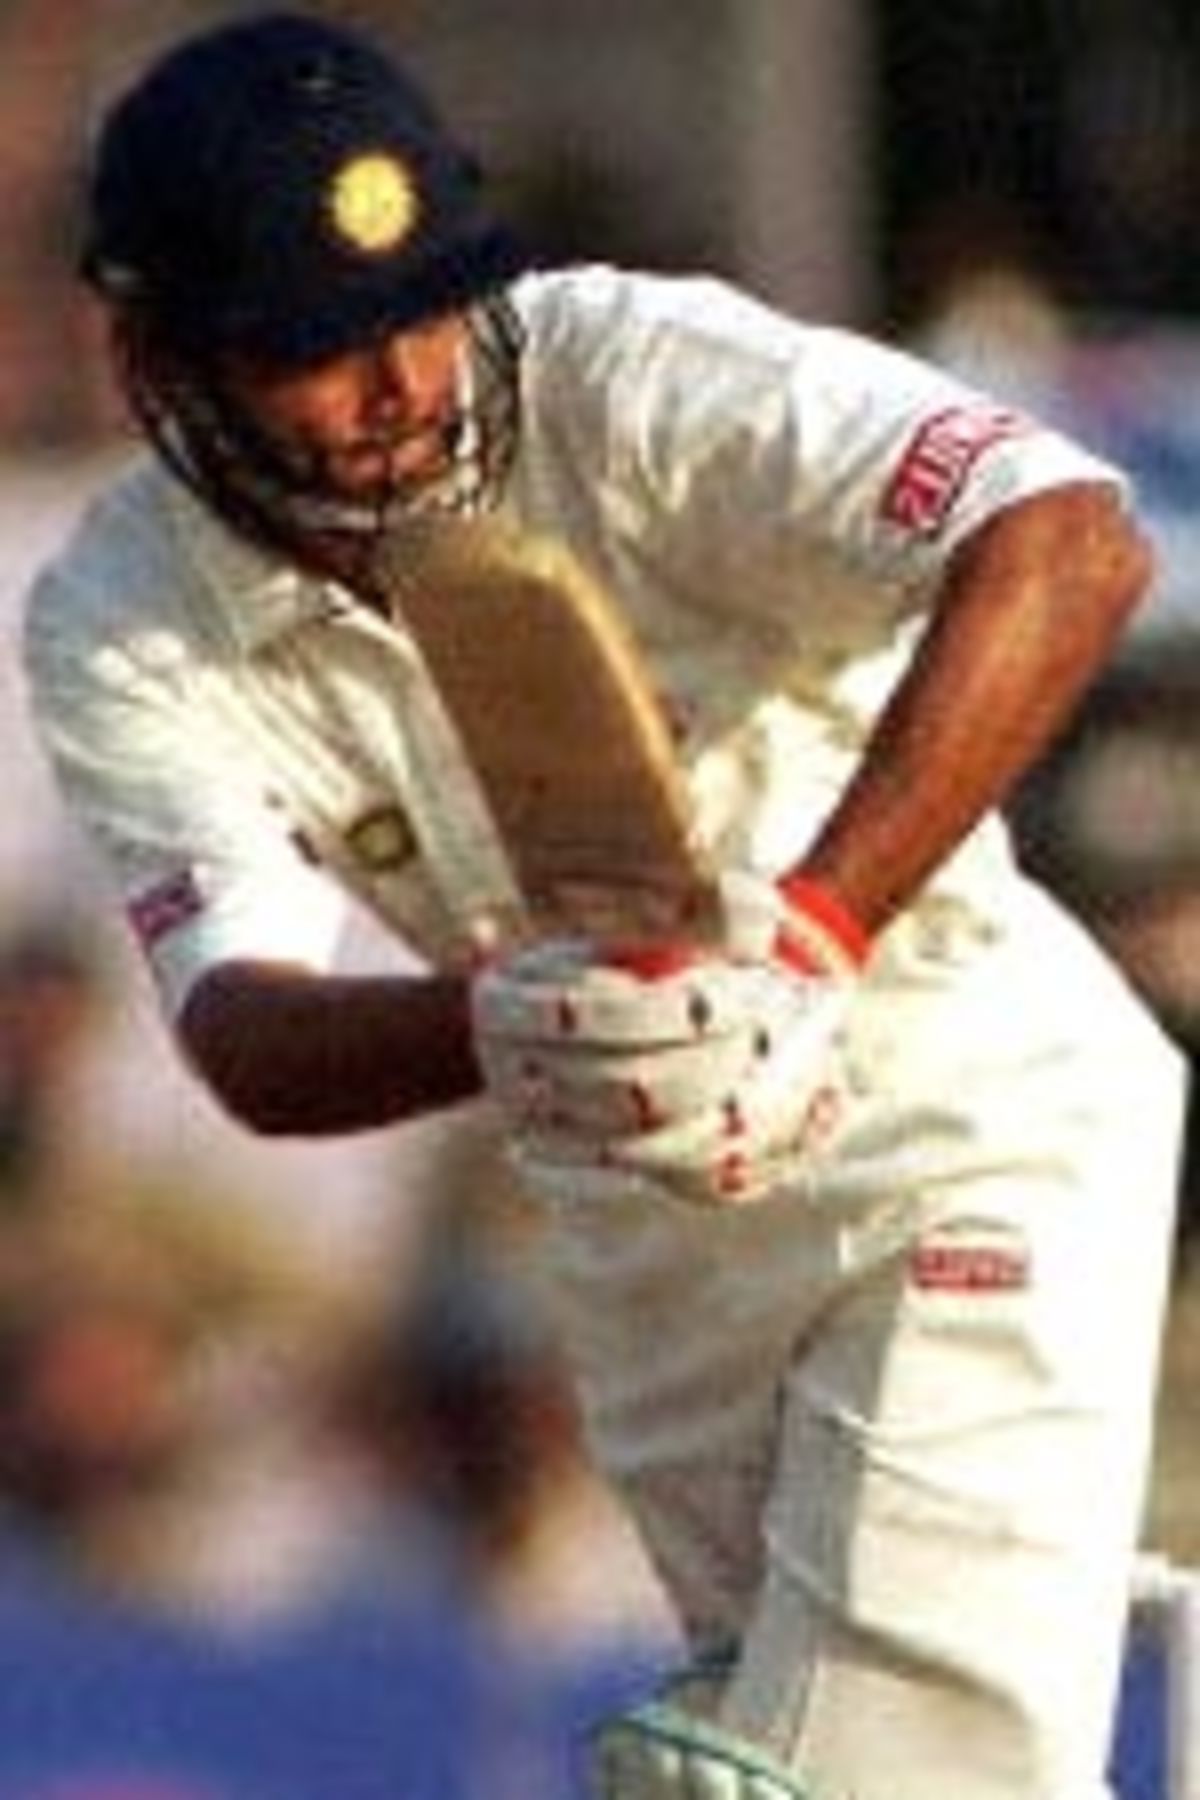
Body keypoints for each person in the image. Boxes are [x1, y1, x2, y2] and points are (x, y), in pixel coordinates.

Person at [23, 12, 1185, 1798]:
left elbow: (1066, 536)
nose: (399, 381)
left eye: (418, 307)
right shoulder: (124, 615)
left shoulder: (624, 368)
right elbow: (247, 1031)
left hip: (970, 1117)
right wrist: (510, 1021)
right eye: (313, 352)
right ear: (169, 361)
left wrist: (811, 935)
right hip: (653, 1237)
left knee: (838, 1780)